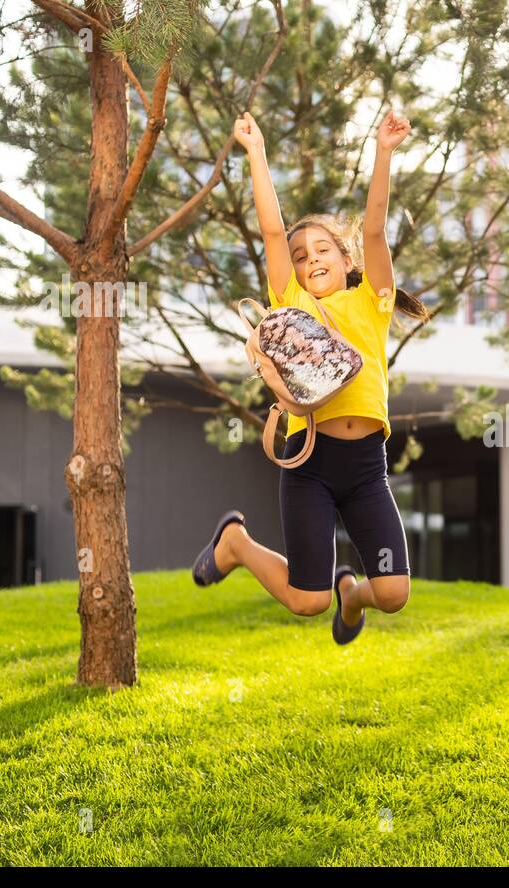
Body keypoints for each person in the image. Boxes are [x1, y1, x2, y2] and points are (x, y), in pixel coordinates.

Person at [191, 110, 427, 646]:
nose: (310, 259)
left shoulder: (373, 302)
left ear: (347, 260)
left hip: (367, 468)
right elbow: (272, 229)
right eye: (301, 257)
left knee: (392, 593)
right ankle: (236, 544)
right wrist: (256, 152)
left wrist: (384, 153)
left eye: (323, 250)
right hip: (310, 463)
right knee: (306, 600)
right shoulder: (292, 301)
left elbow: (374, 227)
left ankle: (355, 595)